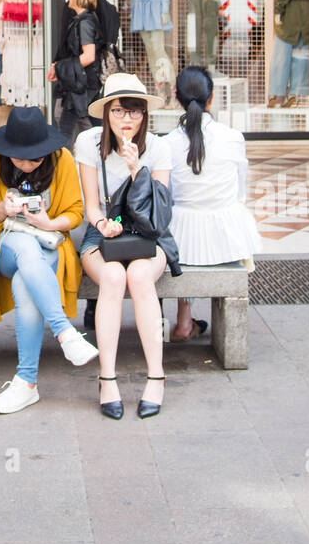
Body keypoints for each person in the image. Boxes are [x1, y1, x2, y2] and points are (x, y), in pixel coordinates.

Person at [0, 107, 97, 414]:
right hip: (7, 242)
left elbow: (75, 214)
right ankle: (65, 332)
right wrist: (4, 210)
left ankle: (27, 382)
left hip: (50, 243)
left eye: (35, 158)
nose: (27, 165)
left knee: (24, 280)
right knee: (25, 250)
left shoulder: (63, 160)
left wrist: (46, 223)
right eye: (19, 158)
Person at [76, 73, 171, 419]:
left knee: (141, 277)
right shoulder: (88, 143)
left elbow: (160, 213)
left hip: (147, 235)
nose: (126, 120)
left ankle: (156, 377)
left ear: (144, 115)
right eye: (118, 111)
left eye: (134, 112)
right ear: (106, 113)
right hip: (102, 236)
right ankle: (107, 378)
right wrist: (102, 224)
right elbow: (91, 206)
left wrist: (136, 170)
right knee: (114, 277)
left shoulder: (158, 148)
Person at [165, 66, 262, 340]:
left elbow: (167, 196)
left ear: (176, 97)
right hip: (228, 237)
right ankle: (187, 322)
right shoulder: (233, 138)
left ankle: (184, 320)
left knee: (184, 228)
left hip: (181, 238)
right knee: (224, 214)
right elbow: (240, 193)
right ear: (212, 97)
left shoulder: (168, 143)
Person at [51, 0, 102, 143]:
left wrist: (60, 68)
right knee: (89, 125)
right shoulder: (84, 20)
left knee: (67, 128)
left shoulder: (85, 22)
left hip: (82, 85)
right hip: (83, 82)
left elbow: (88, 56)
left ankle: (64, 164)